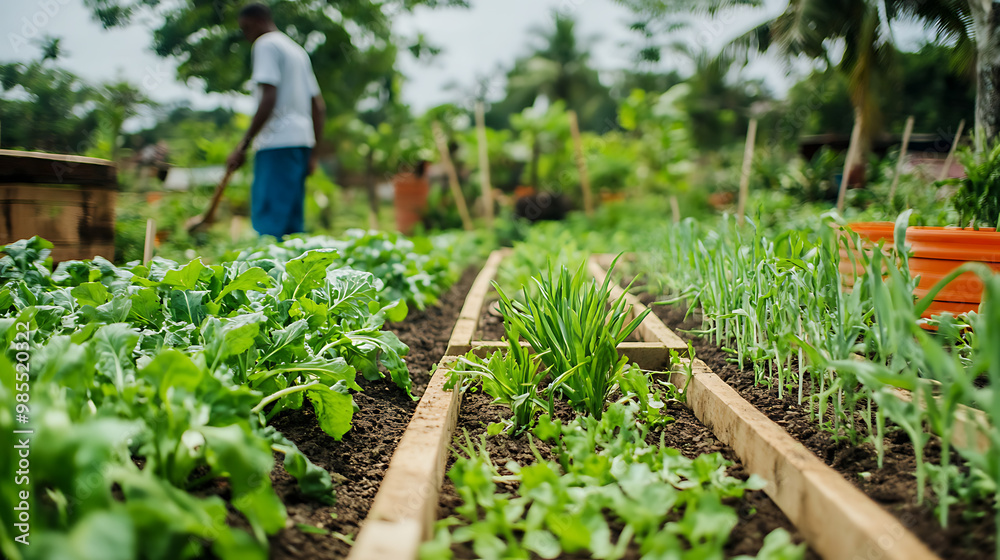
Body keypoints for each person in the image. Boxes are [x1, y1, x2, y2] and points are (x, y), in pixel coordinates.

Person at [227, 2, 325, 238]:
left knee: (270, 225)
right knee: (292, 228)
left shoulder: (266, 45)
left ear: (259, 21)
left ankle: (268, 273)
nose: (246, 36)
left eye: (246, 28)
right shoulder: (297, 51)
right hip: (300, 145)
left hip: (276, 144)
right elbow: (319, 107)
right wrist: (313, 153)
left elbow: (269, 97)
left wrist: (243, 146)